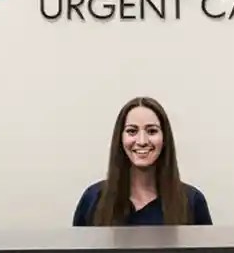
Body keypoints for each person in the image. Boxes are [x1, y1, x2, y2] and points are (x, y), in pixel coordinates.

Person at [72, 96, 213, 226]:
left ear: (164, 139)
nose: (142, 141)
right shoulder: (93, 199)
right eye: (132, 131)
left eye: (152, 131)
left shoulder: (192, 202)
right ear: (120, 139)